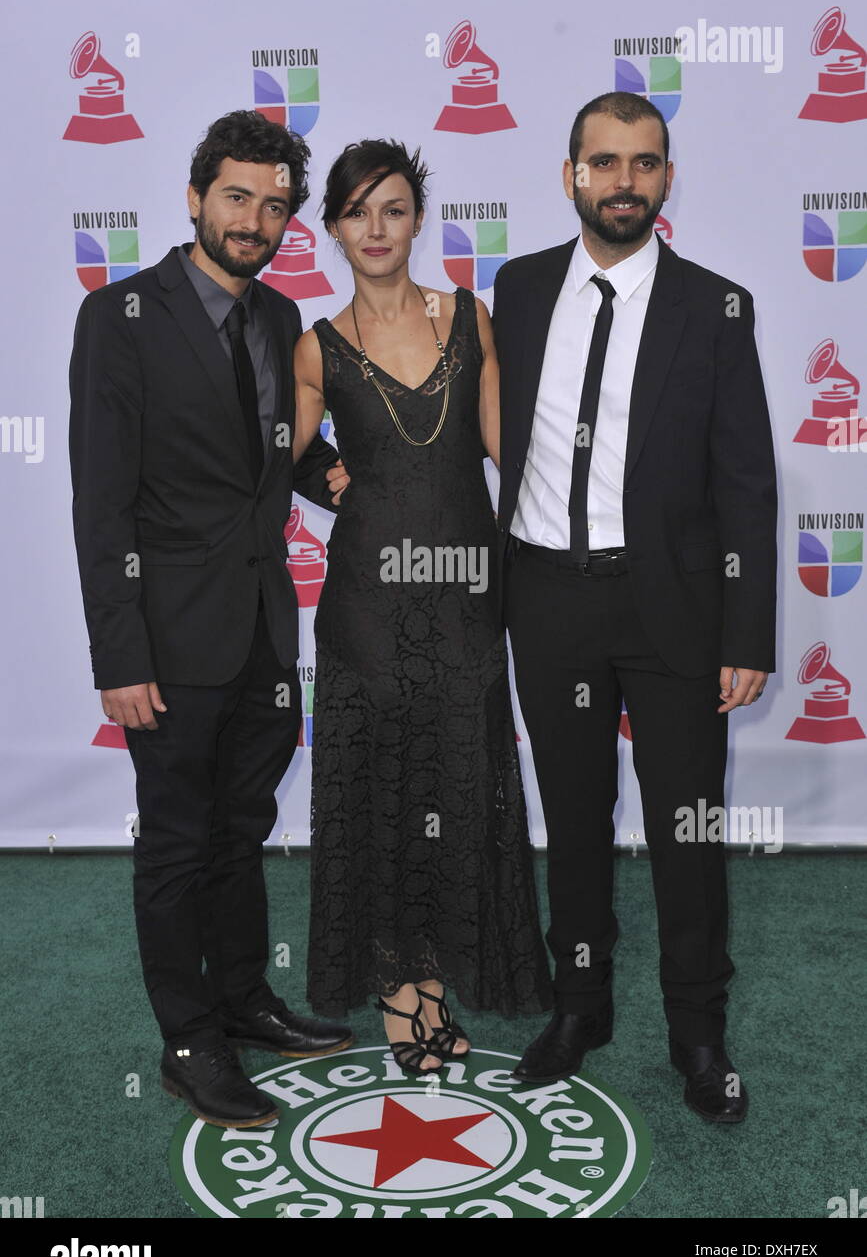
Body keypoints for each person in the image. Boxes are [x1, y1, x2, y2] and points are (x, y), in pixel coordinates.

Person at [493, 91, 777, 1121]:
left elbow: (746, 481)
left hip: (674, 612)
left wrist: (746, 631)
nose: (624, 180)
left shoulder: (718, 305)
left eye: (644, 163)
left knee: (686, 830)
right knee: (571, 819)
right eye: (603, 162)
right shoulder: (517, 291)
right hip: (547, 598)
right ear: (570, 174)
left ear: (666, 177)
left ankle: (699, 1034)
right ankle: (581, 1005)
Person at [69, 109, 355, 1129]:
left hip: (266, 631)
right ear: (196, 198)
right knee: (177, 846)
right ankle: (190, 1041)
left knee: (242, 829)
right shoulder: (120, 316)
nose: (256, 217)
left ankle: (242, 998)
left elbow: (284, 457)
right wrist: (120, 651)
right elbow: (102, 501)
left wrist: (361, 482)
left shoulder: (283, 320)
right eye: (238, 196)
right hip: (169, 638)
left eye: (276, 205)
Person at [293, 139, 553, 1073]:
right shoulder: (314, 344)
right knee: (383, 789)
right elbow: (279, 449)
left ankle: (446, 962)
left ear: (416, 221)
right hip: (366, 601)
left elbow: (506, 451)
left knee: (457, 776)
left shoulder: (471, 320)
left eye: (393, 209)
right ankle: (406, 993)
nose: (375, 228)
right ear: (330, 228)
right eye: (357, 211)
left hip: (465, 595)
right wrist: (328, 482)